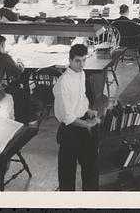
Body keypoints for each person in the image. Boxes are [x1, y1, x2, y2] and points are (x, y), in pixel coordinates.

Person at [53, 44, 100, 191]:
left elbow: (81, 97)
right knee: (67, 175)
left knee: (91, 167)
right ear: (70, 60)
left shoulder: (82, 74)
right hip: (69, 131)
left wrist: (89, 110)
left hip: (83, 122)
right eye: (78, 61)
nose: (81, 65)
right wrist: (87, 124)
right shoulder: (63, 82)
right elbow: (67, 117)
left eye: (84, 60)